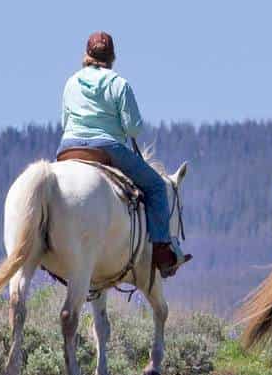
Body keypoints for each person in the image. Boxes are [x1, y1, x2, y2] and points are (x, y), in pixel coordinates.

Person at [57, 32, 190, 276]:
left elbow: (65, 121)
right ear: (112, 57)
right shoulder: (118, 83)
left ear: (87, 55)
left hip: (69, 147)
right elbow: (133, 128)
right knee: (157, 187)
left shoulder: (71, 82)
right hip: (106, 148)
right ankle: (162, 253)